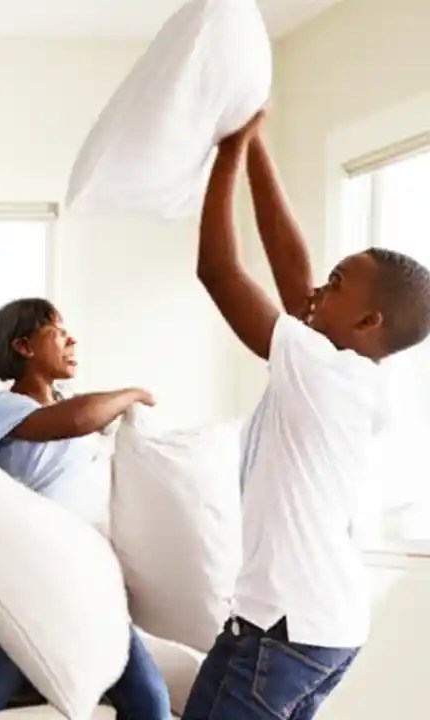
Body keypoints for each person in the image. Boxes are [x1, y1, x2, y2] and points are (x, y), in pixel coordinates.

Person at [182, 111, 430, 720]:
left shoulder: (323, 371)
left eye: (337, 283)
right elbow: (293, 271)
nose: (319, 288)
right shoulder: (351, 375)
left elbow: (217, 271)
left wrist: (230, 149)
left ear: (369, 323)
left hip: (285, 627)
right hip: (322, 627)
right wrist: (260, 143)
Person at [0, 297, 169, 720]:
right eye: (57, 330)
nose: (71, 339)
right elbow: (72, 422)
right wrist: (132, 393)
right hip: (17, 579)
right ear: (23, 346)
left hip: (82, 576)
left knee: (148, 701)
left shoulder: (72, 405)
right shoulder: (0, 409)